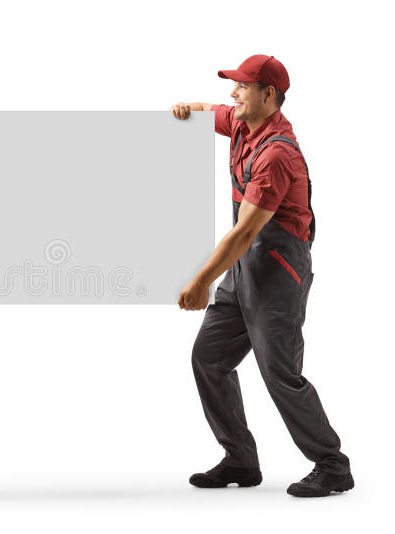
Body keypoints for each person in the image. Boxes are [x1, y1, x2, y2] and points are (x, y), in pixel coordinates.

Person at [172, 55, 353, 497]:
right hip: (244, 270)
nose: (233, 94)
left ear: (267, 95)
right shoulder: (242, 123)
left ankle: (332, 465)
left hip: (278, 272)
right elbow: (210, 110)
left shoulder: (276, 155)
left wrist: (200, 281)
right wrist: (186, 109)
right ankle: (240, 459)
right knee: (209, 358)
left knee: (280, 374)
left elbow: (245, 231)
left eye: (242, 87)